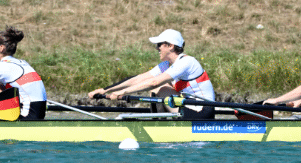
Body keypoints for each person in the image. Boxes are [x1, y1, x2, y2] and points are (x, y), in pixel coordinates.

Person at [87, 29, 216, 120]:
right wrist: (105, 90)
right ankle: (160, 122)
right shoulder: (166, 64)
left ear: (170, 46)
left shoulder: (187, 62)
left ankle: (159, 125)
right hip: (188, 108)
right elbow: (138, 79)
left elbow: (153, 82)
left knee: (158, 86)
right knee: (158, 87)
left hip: (202, 112)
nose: (157, 48)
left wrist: (123, 93)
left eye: (159, 45)